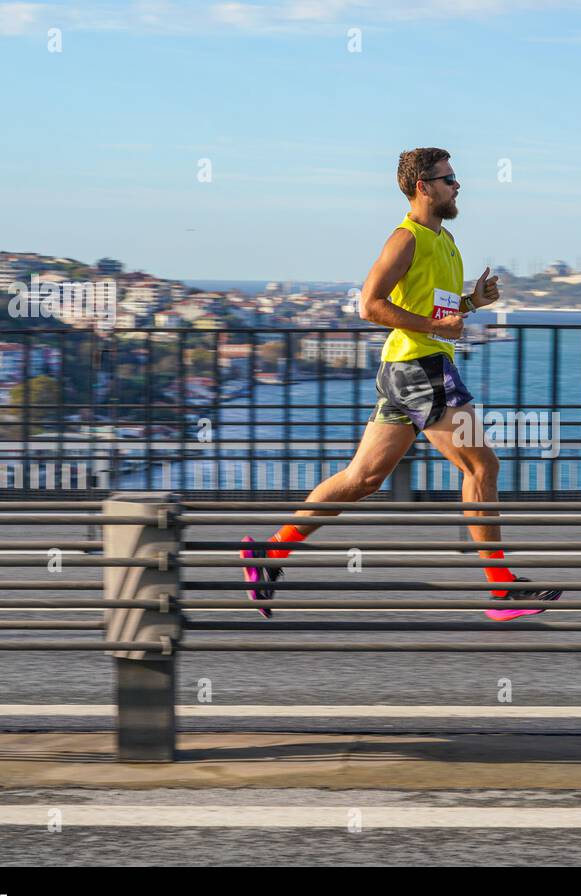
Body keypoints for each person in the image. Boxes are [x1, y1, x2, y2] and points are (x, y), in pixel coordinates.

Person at [241, 147, 562, 621]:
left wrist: (472, 302)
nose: (457, 186)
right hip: (421, 367)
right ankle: (501, 589)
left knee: (363, 480)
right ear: (423, 187)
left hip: (405, 369)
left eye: (455, 178)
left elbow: (438, 313)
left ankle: (270, 552)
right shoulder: (406, 238)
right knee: (481, 466)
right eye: (448, 179)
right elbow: (369, 306)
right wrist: (438, 329)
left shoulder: (446, 241)